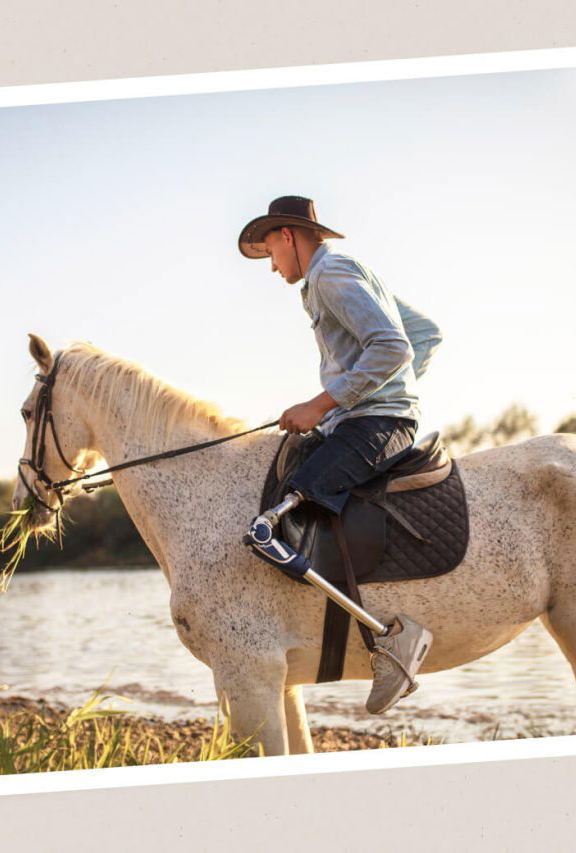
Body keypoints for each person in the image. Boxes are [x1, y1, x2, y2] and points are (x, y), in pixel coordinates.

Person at [237, 195, 443, 714]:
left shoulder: (330, 273)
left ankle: (390, 640)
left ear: (288, 236)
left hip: (374, 423)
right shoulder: (341, 273)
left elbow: (393, 347)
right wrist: (369, 397)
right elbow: (424, 335)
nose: (272, 267)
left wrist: (326, 402)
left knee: (269, 526)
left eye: (270, 253)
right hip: (366, 416)